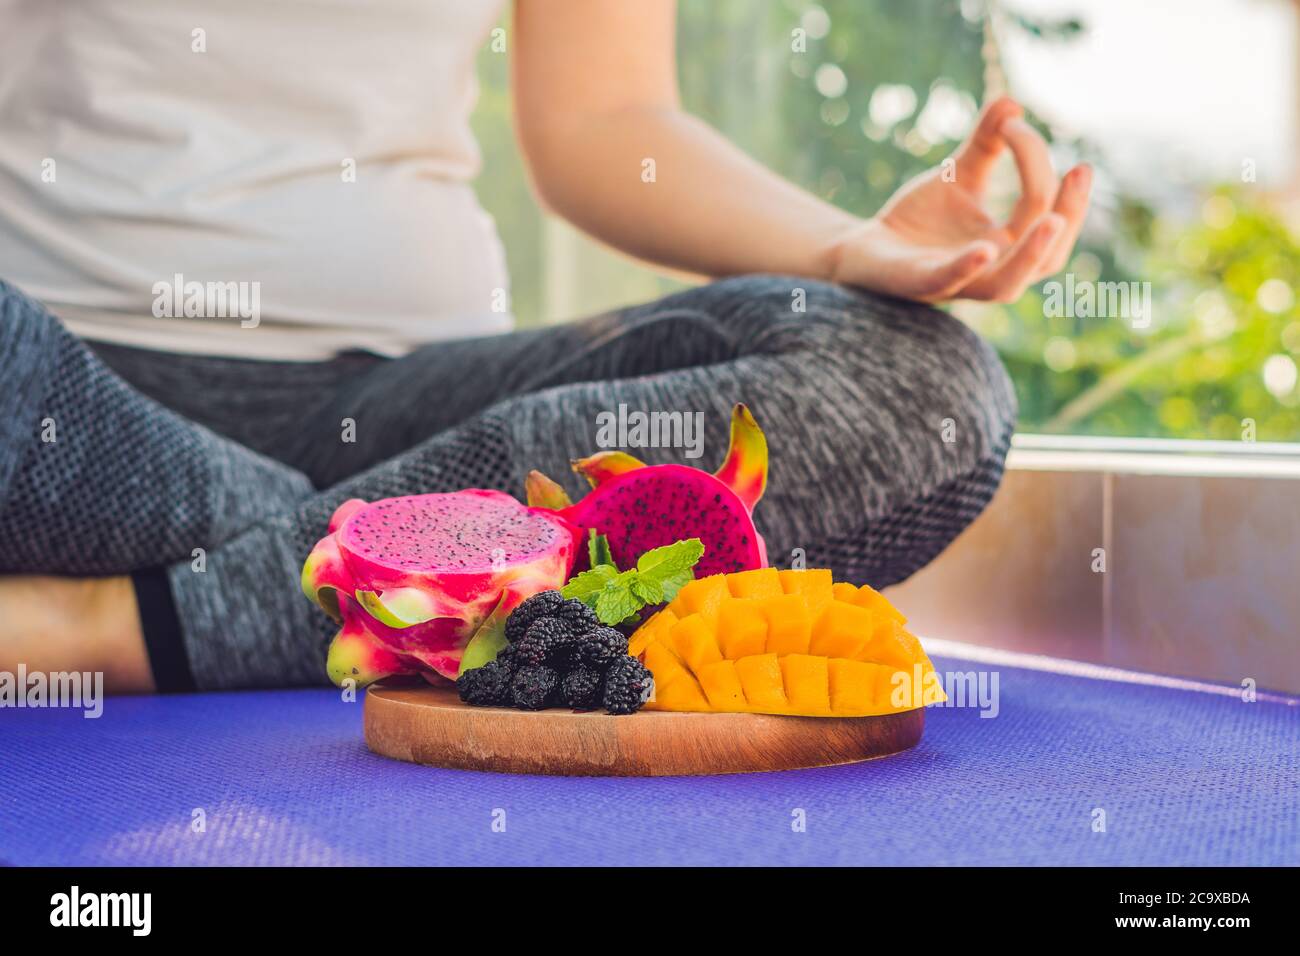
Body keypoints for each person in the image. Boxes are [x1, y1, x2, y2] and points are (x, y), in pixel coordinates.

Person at [0, 1, 1091, 694]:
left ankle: (104, 619)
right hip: (64, 401)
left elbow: (604, 119)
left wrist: (843, 247)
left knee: (912, 378)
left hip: (422, 412)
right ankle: (406, 571)